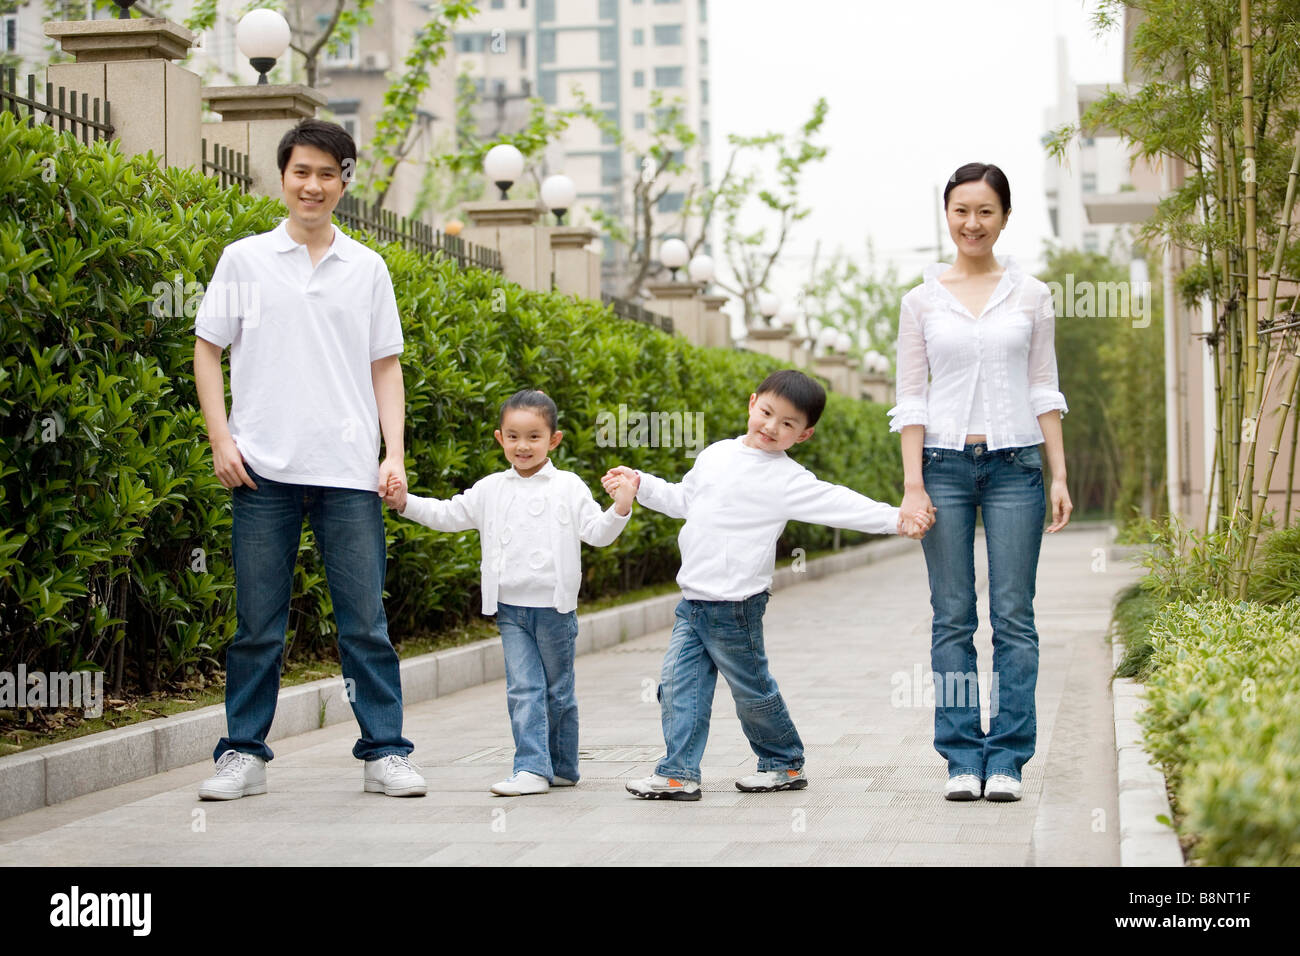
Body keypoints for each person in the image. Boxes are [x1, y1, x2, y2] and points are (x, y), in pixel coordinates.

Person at [193, 119, 426, 800]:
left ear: (344, 181)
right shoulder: (245, 259)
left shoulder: (368, 268)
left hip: (350, 473)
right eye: (302, 171)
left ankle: (385, 752)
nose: (314, 185)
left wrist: (395, 454)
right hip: (261, 469)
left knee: (364, 623)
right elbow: (208, 347)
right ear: (284, 175)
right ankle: (242, 754)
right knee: (257, 626)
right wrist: (221, 439)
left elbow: (387, 368)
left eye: (328, 173)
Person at [604, 369, 930, 801]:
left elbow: (839, 503)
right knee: (678, 686)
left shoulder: (787, 478)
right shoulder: (717, 454)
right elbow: (684, 499)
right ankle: (678, 773)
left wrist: (896, 518)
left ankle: (783, 762)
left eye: (788, 424)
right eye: (767, 412)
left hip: (736, 606)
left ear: (805, 435)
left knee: (752, 690)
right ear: (752, 403)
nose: (772, 427)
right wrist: (641, 485)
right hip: (694, 601)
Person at [889, 162, 1072, 803]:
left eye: (985, 211)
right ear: (948, 215)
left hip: (1017, 466)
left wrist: (1059, 472)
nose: (973, 223)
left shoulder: (1032, 294)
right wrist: (914, 485)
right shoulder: (920, 301)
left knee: (1014, 618)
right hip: (942, 466)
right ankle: (963, 756)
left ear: (1003, 217)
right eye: (962, 210)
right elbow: (911, 398)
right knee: (952, 619)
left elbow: (1043, 385)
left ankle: (1009, 760)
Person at [382, 389, 636, 796]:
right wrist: (404, 502)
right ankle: (532, 767)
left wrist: (620, 508)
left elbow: (597, 534)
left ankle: (563, 766)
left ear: (554, 440)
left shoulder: (569, 487)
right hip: (509, 609)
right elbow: (448, 514)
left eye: (534, 436)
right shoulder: (490, 489)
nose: (523, 446)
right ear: (500, 439)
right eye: (513, 436)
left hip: (555, 610)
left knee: (559, 691)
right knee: (524, 687)